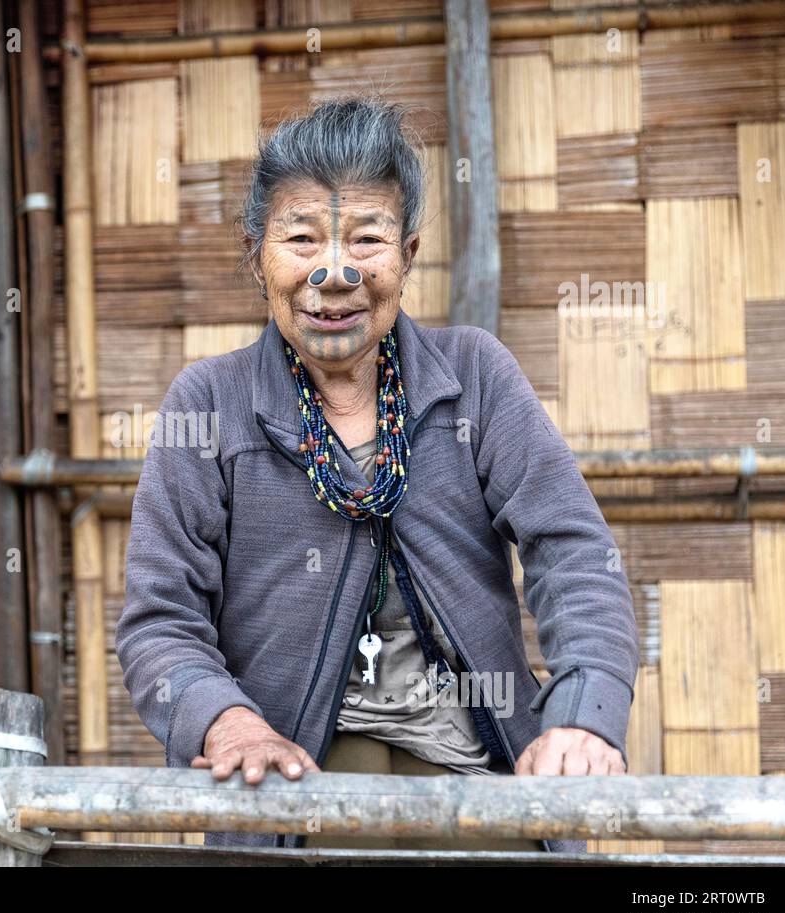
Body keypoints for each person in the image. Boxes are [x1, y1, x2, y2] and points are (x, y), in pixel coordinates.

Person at [115, 96, 639, 854]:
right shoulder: (210, 404)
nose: (334, 274)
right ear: (256, 251)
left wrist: (584, 715)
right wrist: (227, 722)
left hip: (477, 779)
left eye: (367, 238)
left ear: (410, 254)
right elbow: (161, 619)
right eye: (301, 239)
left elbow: (576, 556)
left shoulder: (475, 378)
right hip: (296, 793)